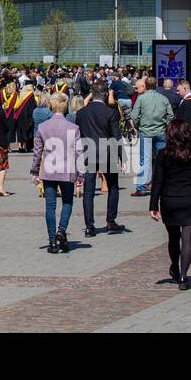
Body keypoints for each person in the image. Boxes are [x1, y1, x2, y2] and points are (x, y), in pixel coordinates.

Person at [149, 120, 191, 290]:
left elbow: (158, 181)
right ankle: (183, 277)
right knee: (188, 240)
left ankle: (175, 268)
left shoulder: (163, 154)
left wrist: (153, 205)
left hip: (170, 200)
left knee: (173, 238)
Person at [31, 92, 82, 254]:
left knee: (50, 206)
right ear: (65, 107)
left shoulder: (43, 127)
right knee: (67, 202)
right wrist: (81, 175)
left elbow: (37, 152)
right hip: (67, 170)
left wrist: (34, 170)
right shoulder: (73, 128)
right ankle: (61, 230)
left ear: (51, 106)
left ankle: (52, 241)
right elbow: (79, 153)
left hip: (49, 170)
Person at [74, 80, 124, 236]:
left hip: (89, 152)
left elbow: (78, 135)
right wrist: (122, 157)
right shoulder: (111, 112)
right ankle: (110, 221)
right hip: (107, 152)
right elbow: (116, 136)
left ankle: (89, 226)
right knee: (113, 187)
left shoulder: (81, 113)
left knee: (88, 191)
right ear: (106, 94)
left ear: (92, 94)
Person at [128, 76, 173, 195]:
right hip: (160, 132)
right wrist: (164, 125)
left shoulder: (141, 99)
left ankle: (142, 186)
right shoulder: (163, 98)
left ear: (146, 86)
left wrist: (138, 126)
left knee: (144, 160)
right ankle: (163, 184)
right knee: (161, 159)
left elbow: (134, 116)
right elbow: (171, 116)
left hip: (146, 132)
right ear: (156, 85)